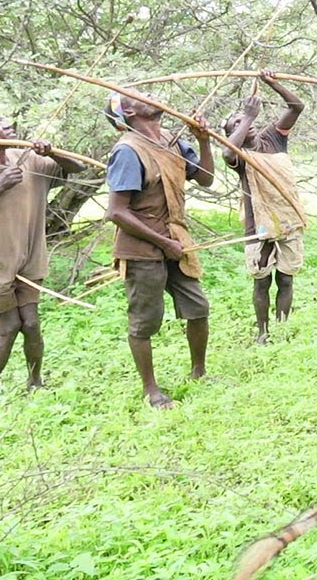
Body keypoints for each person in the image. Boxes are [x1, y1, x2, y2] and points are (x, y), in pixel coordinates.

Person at [0, 111, 85, 406]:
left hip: (30, 259)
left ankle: (35, 383)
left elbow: (77, 168)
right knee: (9, 327)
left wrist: (55, 153)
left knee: (32, 324)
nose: (6, 125)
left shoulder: (29, 158)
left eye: (3, 119)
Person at [104, 92, 215, 409]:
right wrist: (163, 242)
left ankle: (199, 373)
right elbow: (117, 212)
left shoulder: (172, 139)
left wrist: (203, 140)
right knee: (145, 321)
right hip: (143, 248)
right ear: (128, 111)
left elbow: (205, 179)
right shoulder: (127, 150)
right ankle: (151, 390)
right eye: (140, 97)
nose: (151, 97)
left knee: (198, 307)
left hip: (176, 240)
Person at [221, 70, 307, 345]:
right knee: (261, 281)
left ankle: (282, 328)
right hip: (258, 226)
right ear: (233, 132)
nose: (245, 124)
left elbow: (296, 107)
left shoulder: (273, 138)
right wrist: (247, 116)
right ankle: (263, 332)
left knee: (286, 279)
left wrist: (273, 83)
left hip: (288, 220)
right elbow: (226, 153)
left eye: (243, 119)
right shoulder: (239, 155)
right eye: (236, 123)